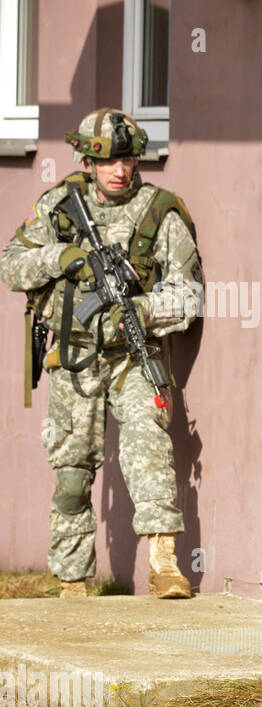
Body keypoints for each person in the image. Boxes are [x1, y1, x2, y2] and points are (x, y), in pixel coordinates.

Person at [1, 109, 202, 599]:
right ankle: (72, 580)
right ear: (87, 161)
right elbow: (11, 267)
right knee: (72, 473)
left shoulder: (161, 213)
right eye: (109, 161)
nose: (120, 170)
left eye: (128, 160)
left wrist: (141, 310)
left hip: (133, 355)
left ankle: (164, 565)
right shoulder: (57, 205)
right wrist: (61, 257)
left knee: (149, 448)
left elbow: (189, 295)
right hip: (73, 356)